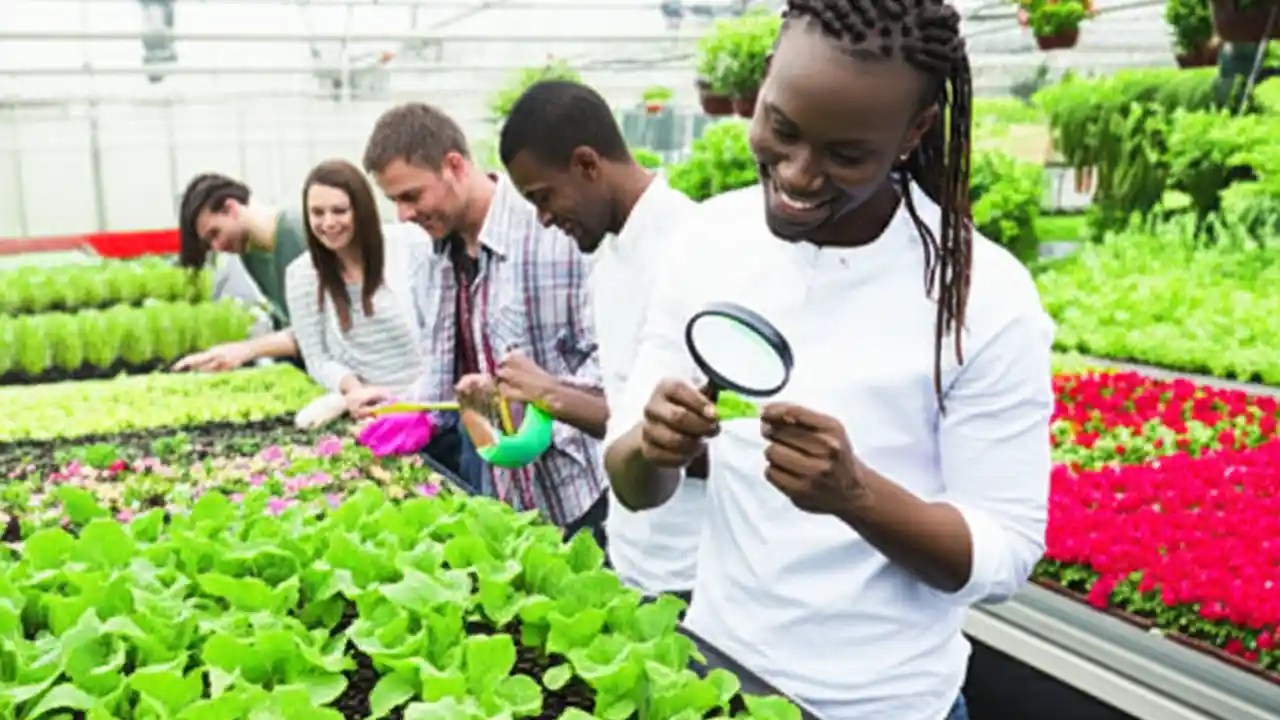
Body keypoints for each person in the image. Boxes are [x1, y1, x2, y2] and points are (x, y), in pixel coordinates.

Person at [602, 2, 1055, 720]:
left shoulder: (983, 297)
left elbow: (1005, 555)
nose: (800, 174)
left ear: (912, 135)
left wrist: (857, 495)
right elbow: (633, 484)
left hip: (885, 704)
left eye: (847, 155)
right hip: (717, 681)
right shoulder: (707, 242)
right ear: (762, 87)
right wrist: (652, 447)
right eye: (780, 129)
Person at [359, 102, 610, 545]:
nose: (403, 215)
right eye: (394, 201)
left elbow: (607, 356)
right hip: (500, 487)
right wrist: (410, 408)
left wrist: (544, 416)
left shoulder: (553, 230)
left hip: (578, 485)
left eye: (411, 196)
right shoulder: (431, 254)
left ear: (454, 166)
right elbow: (442, 367)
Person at [498, 79, 706, 602]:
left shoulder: (692, 247)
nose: (544, 219)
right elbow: (625, 401)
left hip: (693, 567)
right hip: (637, 551)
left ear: (588, 164)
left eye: (543, 198)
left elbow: (704, 441)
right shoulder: (608, 255)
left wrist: (550, 394)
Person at [285, 159, 433, 429]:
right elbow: (317, 359)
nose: (328, 223)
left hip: (431, 403)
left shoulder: (408, 245)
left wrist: (419, 396)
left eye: (339, 211)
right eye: (317, 213)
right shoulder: (303, 275)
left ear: (361, 210)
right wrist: (353, 389)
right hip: (370, 414)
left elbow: (437, 333)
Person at [173, 173, 307, 372]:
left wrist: (245, 350)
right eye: (209, 243)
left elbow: (318, 331)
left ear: (231, 208)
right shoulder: (250, 252)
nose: (217, 246)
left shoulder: (295, 233)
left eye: (214, 233)